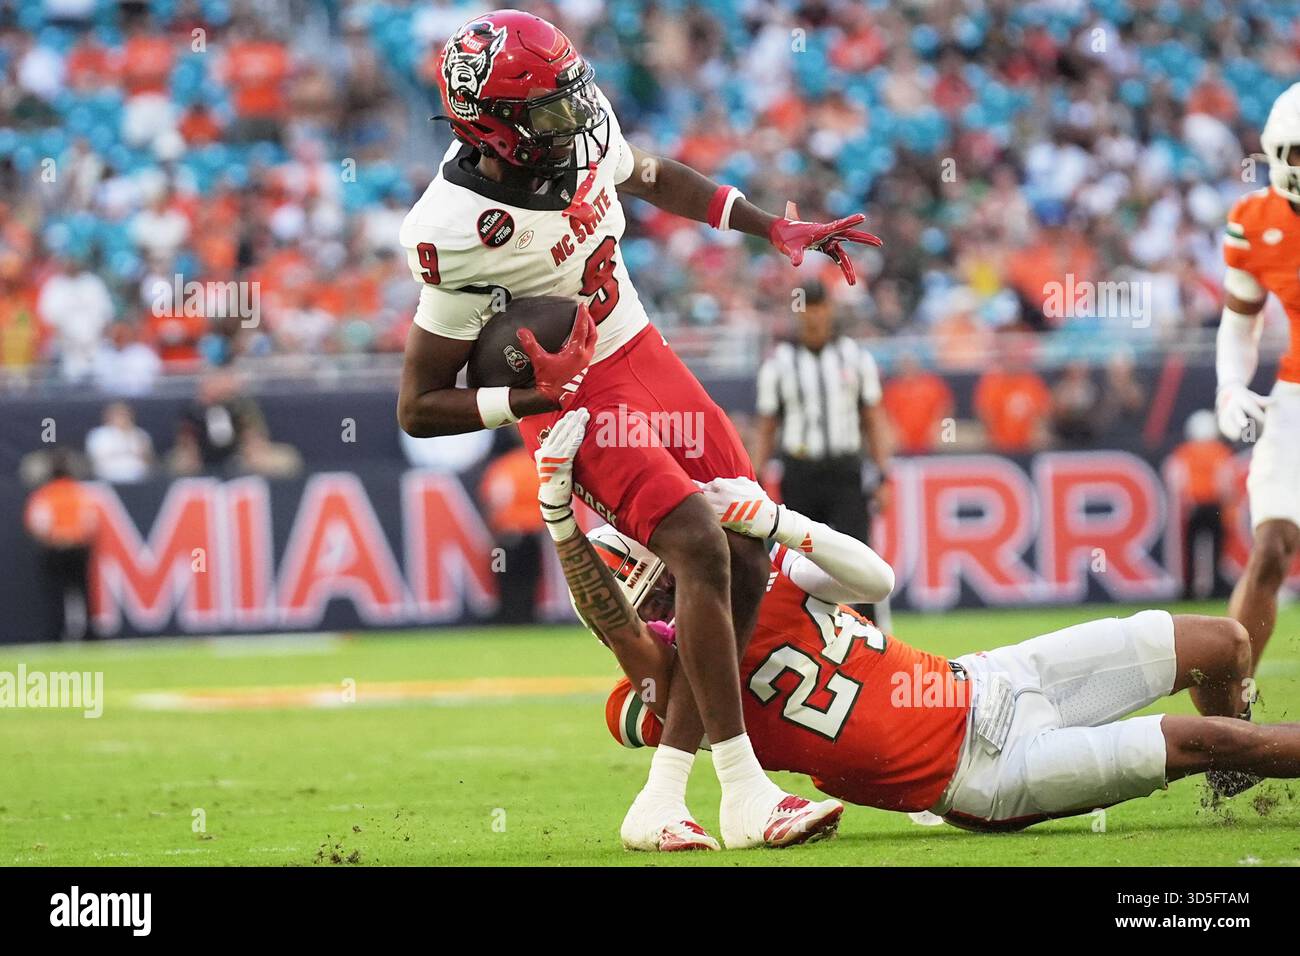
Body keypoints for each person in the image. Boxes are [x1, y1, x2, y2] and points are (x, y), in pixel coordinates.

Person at [394, 11, 880, 850]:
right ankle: (745, 792)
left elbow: (651, 176)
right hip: (575, 394)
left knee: (744, 550)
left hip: (642, 349)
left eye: (565, 97)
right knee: (696, 541)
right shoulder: (451, 227)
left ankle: (661, 798)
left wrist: (771, 226)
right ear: (489, 126)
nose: (570, 120)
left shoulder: (572, 120)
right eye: (542, 112)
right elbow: (417, 405)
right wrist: (527, 401)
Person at [540, 410, 1294, 833]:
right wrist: (563, 528)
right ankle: (1235, 759)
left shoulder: (762, 583)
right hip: (982, 777)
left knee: (1223, 646)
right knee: (1205, 738)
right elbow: (621, 635)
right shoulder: (671, 688)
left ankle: (1233, 781)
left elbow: (877, 579)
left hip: (991, 681)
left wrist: (778, 520)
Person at [1214, 83, 1300, 795]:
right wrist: (1231, 386)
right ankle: (1234, 735)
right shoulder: (1255, 219)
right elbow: (1241, 321)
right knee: (1269, 546)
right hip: (1297, 396)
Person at [753, 280, 893, 624]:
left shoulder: (854, 358)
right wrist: (756, 475)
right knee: (797, 560)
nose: (813, 316)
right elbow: (768, 425)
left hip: (845, 471)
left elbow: (873, 418)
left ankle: (876, 636)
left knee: (859, 556)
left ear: (828, 310)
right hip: (800, 472)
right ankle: (802, 632)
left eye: (818, 307)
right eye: (806, 307)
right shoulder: (779, 363)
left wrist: (884, 473)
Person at [24, 452, 100, 642]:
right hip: (77, 547)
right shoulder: (79, 492)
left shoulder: (45, 494)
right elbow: (91, 521)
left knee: (55, 593)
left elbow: (38, 523)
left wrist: (55, 538)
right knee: (82, 592)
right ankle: (88, 633)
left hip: (55, 548)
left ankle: (56, 633)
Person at [478, 432, 545, 624]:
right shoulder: (534, 465)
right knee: (529, 579)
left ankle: (506, 616)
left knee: (503, 577)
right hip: (531, 535)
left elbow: (492, 502)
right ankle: (527, 616)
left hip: (505, 537)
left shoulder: (502, 466)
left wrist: (492, 533)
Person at [1168, 410, 1234, 600]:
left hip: (1194, 507)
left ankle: (1189, 590)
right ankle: (1215, 588)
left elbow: (1176, 480)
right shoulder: (1220, 451)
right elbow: (1225, 481)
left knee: (1190, 550)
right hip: (1214, 506)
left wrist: (1186, 500)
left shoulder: (1184, 452)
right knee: (1216, 550)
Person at [85, 401, 154, 483]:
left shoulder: (140, 434)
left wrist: (129, 436)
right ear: (108, 417)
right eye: (118, 415)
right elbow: (96, 460)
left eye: (125, 415)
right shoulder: (98, 435)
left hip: (137, 478)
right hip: (107, 477)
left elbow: (148, 459)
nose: (122, 418)